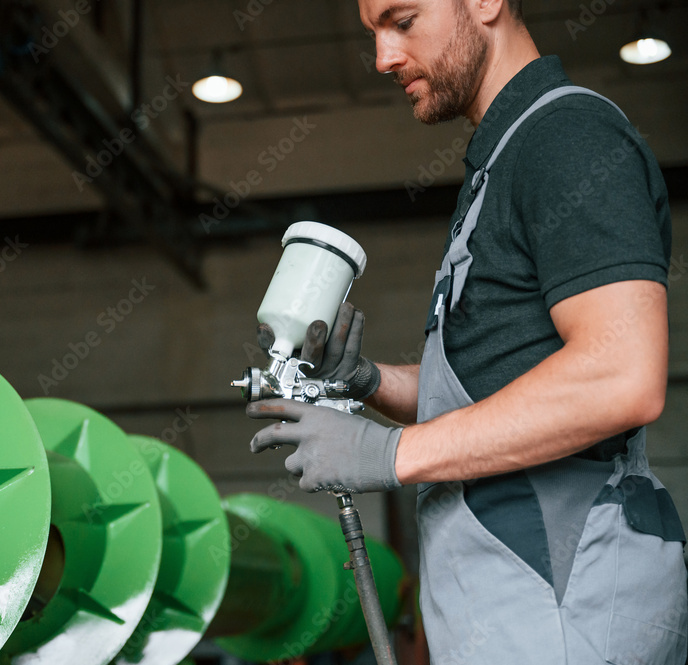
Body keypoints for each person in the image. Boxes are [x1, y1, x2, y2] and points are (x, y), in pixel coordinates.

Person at [246, 0, 688, 662]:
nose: (383, 58)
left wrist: (388, 453)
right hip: (511, 607)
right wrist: (365, 380)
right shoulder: (499, 165)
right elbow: (491, 389)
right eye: (373, 33)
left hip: (565, 602)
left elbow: (620, 375)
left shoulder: (568, 138)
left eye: (402, 21)